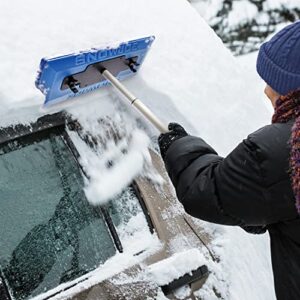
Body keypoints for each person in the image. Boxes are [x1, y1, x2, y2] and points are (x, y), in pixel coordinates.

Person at [158, 21, 300, 300]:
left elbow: (207, 192)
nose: (267, 92)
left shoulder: (281, 151)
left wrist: (180, 146)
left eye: (275, 83)